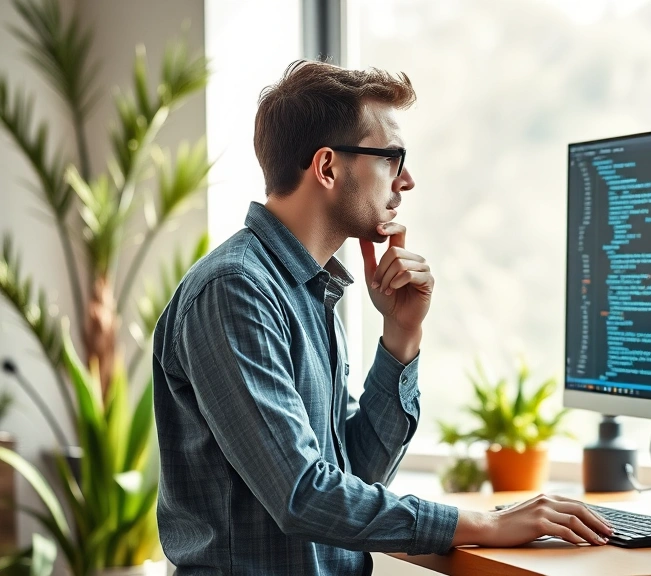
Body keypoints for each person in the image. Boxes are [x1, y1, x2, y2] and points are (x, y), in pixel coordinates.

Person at [151, 60, 613, 575]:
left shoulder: (307, 289)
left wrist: (402, 336)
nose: (407, 180)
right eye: (392, 157)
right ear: (327, 167)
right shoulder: (235, 291)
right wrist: (485, 522)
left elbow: (354, 472)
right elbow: (302, 495)